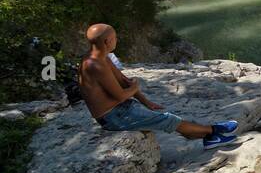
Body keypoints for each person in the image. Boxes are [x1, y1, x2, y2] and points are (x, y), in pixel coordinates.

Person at [78, 24, 237, 149]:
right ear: (107, 41)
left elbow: (124, 81)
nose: (116, 40)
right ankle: (213, 132)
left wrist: (146, 102)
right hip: (113, 117)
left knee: (166, 116)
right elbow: (121, 94)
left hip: (120, 109)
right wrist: (135, 86)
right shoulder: (95, 65)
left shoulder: (100, 57)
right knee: (168, 119)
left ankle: (204, 135)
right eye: (115, 37)